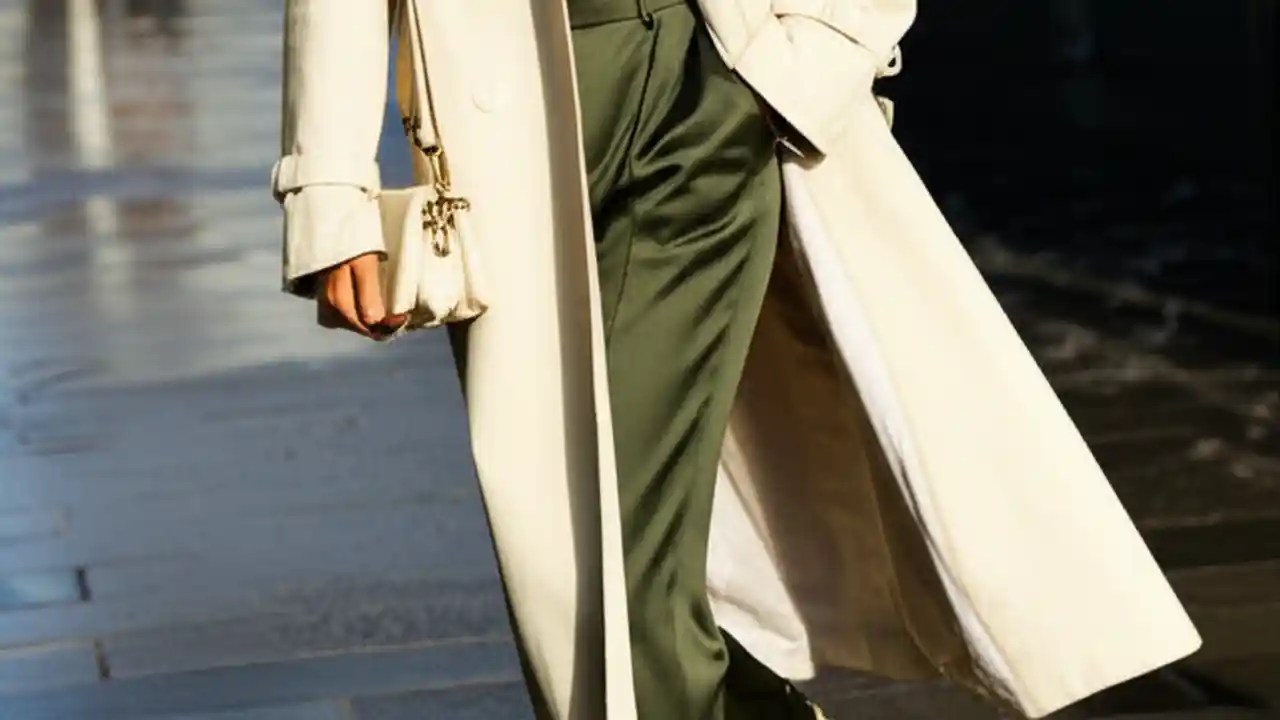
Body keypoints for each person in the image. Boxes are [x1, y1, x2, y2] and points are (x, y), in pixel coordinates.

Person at [271, 1, 1201, 718]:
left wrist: (809, 54)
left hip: (703, 91)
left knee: (602, 559)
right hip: (493, 137)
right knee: (567, 560)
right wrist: (329, 185)